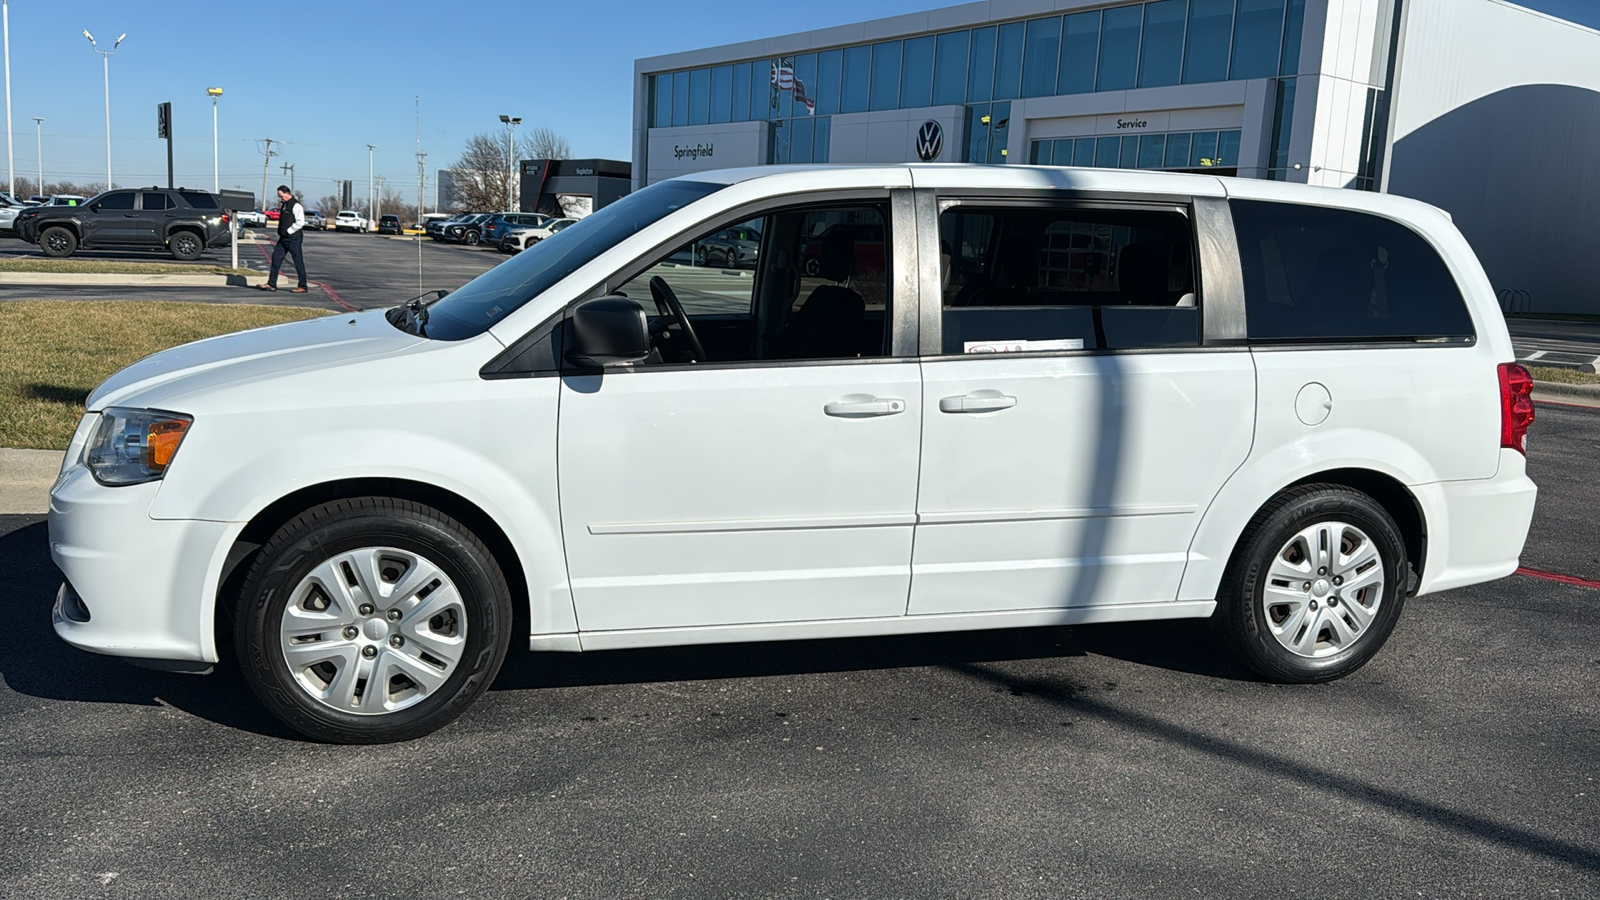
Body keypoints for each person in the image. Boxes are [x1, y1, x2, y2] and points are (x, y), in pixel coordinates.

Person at [259, 185, 309, 293]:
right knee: (276, 259)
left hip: (294, 239)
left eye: (281, 195)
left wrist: (289, 231)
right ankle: (271, 284)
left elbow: (300, 222)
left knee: (298, 261)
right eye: (279, 196)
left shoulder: (296, 205)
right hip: (283, 239)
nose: (280, 198)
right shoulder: (284, 205)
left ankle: (303, 286)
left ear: (287, 193)